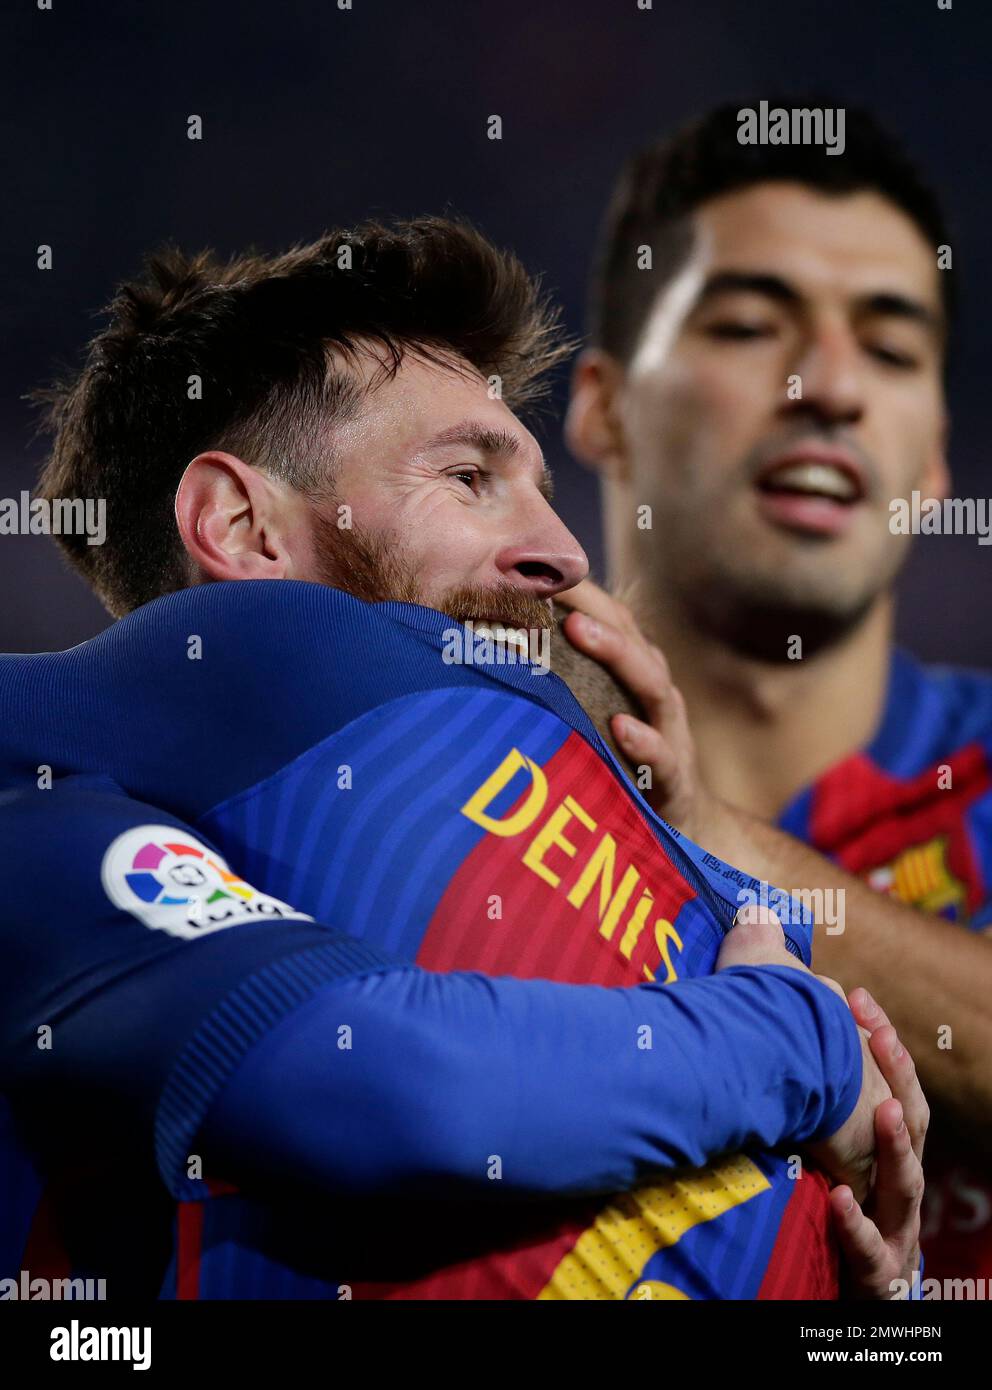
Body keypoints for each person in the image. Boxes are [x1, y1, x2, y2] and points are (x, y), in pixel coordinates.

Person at [1, 218, 919, 1300]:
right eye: (468, 476)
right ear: (242, 527)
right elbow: (381, 1088)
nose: (565, 552)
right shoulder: (38, 781)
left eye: (537, 483)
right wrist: (797, 1039)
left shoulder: (614, 903)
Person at [565, 99, 989, 1287]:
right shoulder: (453, 776)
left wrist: (696, 842)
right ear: (600, 406)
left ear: (934, 460)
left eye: (892, 349)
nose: (830, 387)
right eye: (751, 324)